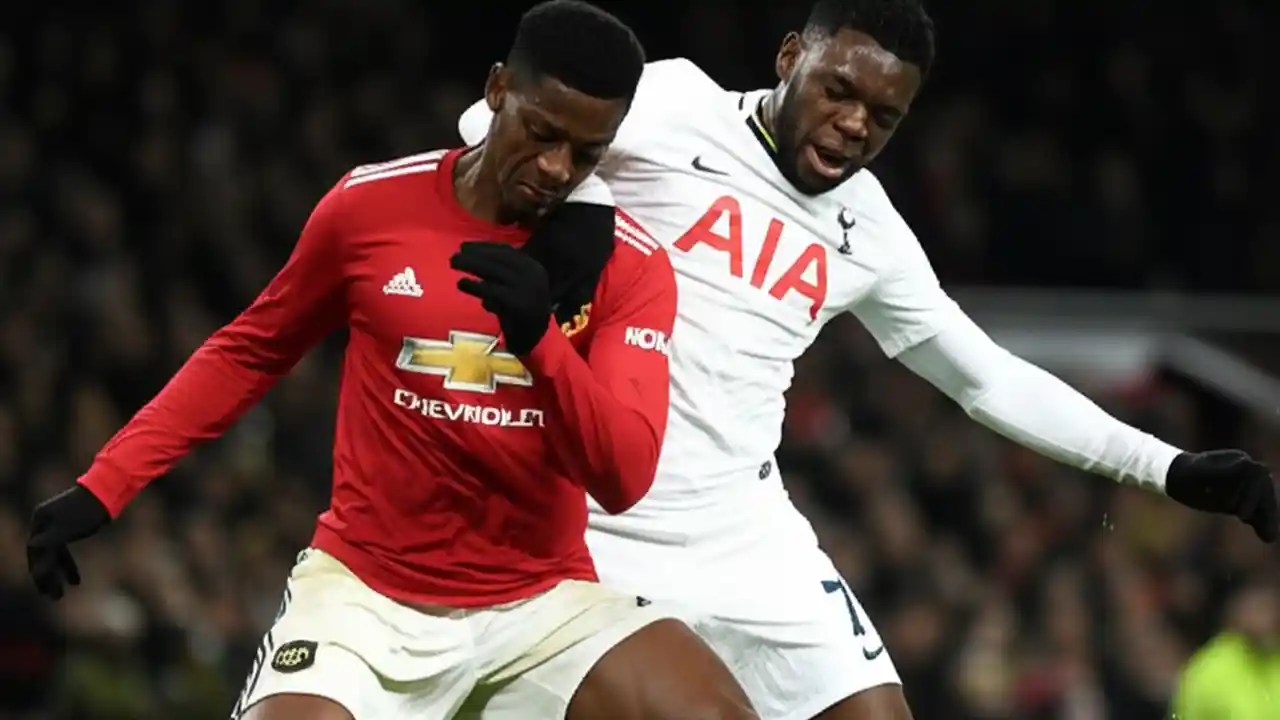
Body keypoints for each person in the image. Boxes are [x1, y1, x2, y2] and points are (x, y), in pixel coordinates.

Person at [458, 1, 1280, 718]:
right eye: (838, 91)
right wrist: (588, 204)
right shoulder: (674, 101)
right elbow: (479, 126)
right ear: (791, 58)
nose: (855, 124)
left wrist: (1166, 468)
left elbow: (985, 376)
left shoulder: (869, 231)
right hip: (595, 524)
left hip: (747, 539)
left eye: (883, 116)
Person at [25, 2, 757, 719]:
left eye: (586, 154)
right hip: (365, 593)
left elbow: (625, 475)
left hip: (540, 602)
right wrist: (105, 485)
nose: (556, 167)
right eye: (541, 134)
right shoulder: (369, 208)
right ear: (498, 89)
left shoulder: (628, 265)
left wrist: (540, 341)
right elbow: (248, 352)